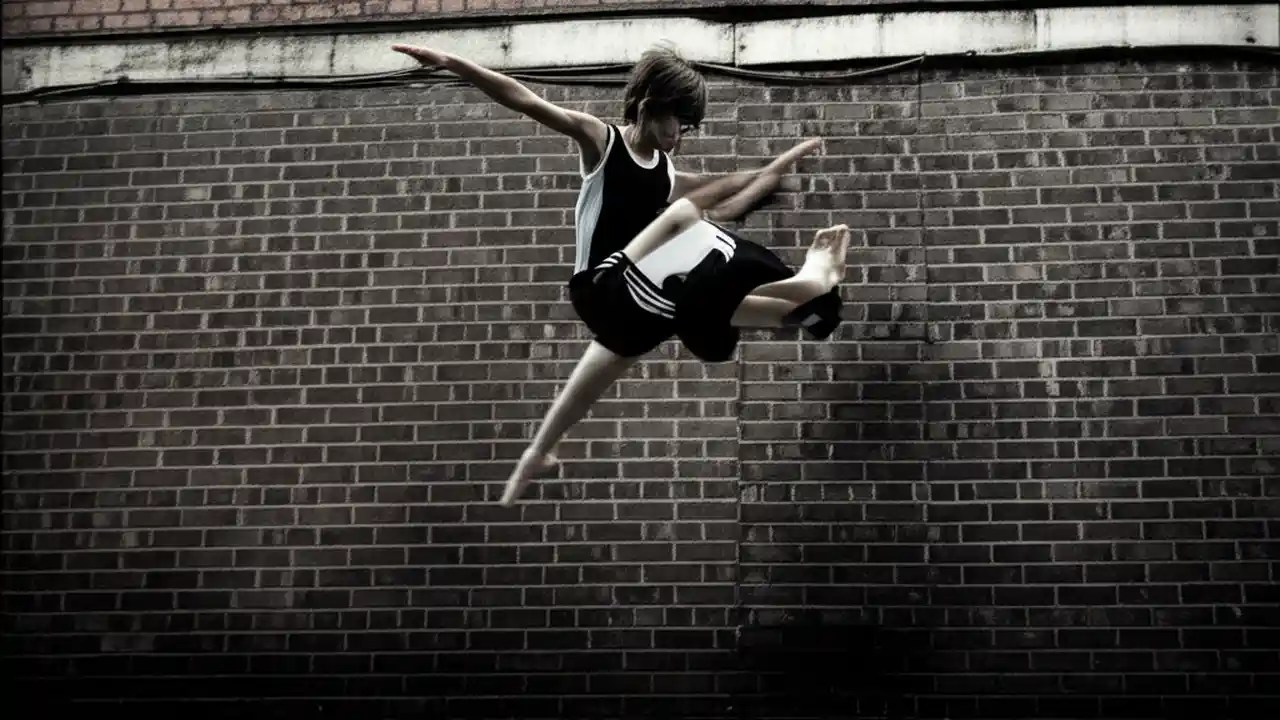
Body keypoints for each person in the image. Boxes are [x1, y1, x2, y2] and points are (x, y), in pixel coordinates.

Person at [389, 42, 832, 505]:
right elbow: (523, 99)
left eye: (688, 127)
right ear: (650, 105)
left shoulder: (665, 172)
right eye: (676, 122)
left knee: (608, 367)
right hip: (600, 287)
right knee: (693, 236)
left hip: (634, 298)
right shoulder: (602, 142)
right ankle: (801, 291)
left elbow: (721, 187)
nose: (679, 135)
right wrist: (451, 63)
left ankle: (536, 453)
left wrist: (776, 168)